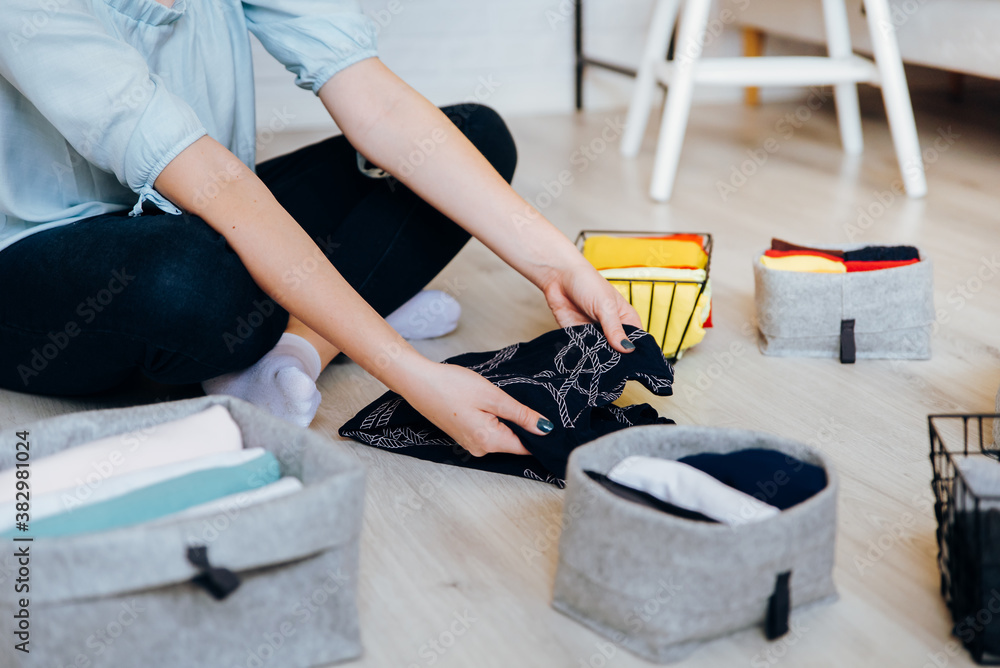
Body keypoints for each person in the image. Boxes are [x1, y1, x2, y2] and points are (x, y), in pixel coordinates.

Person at [0, 0, 640, 457]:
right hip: (49, 256)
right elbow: (207, 179)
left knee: (475, 135)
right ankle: (344, 304)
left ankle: (294, 348)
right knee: (188, 278)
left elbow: (380, 104)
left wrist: (560, 265)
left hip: (214, 213)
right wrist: (414, 375)